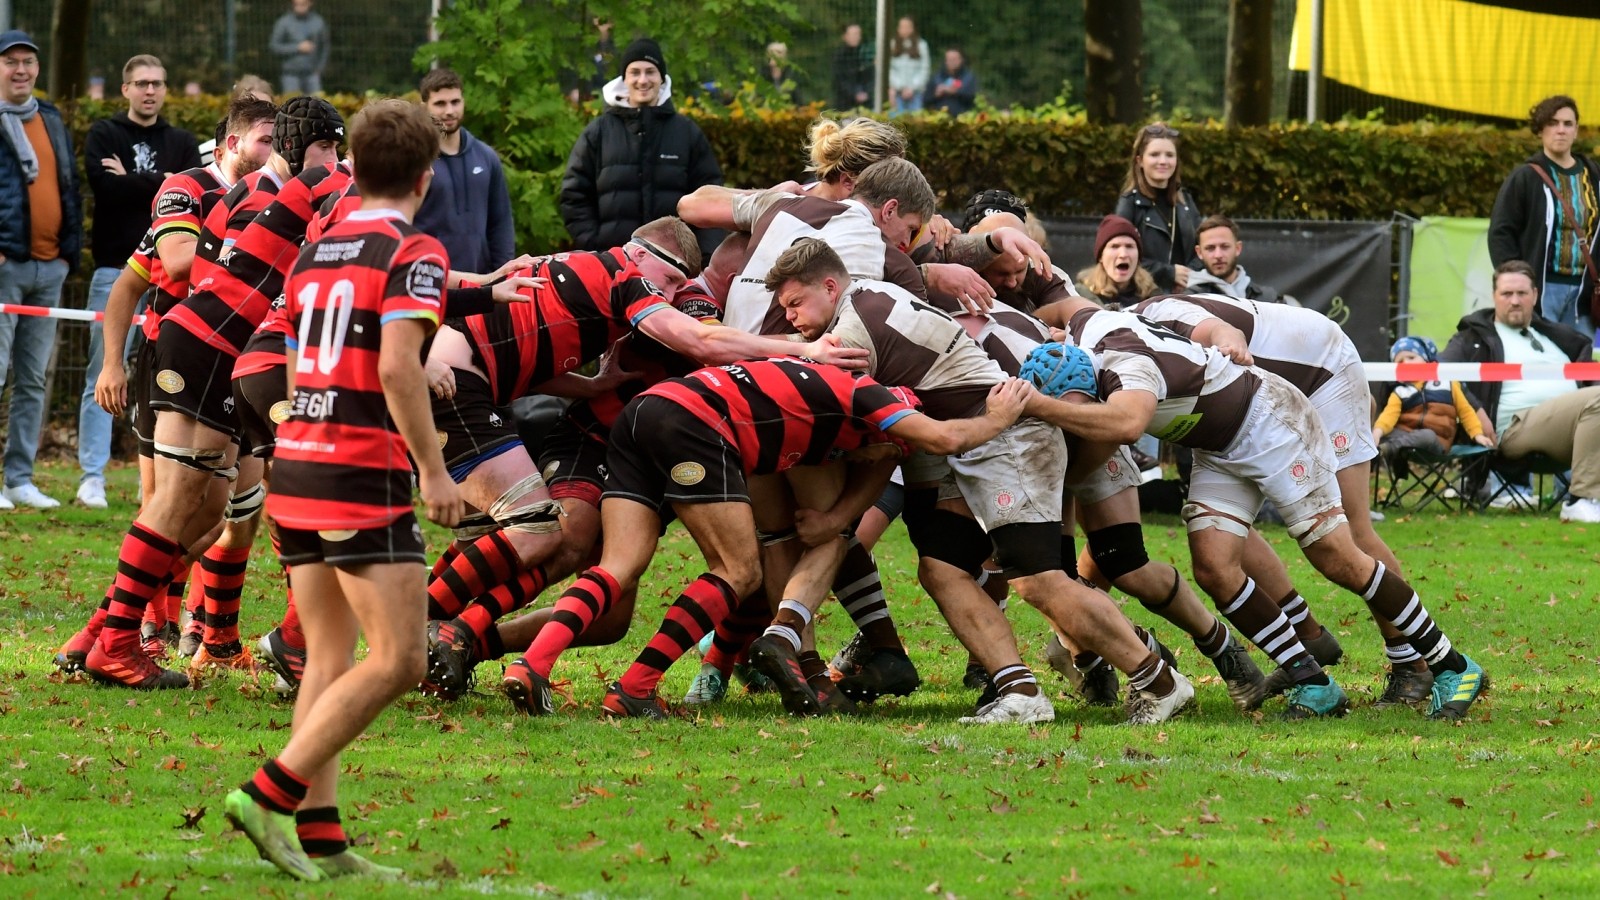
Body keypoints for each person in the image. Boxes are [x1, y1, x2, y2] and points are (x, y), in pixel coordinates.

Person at [1027, 306, 1488, 721]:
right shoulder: (1088, 334)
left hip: (1270, 421)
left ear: (1084, 387)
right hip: (1218, 442)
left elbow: (1126, 424)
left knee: (1336, 555)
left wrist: (1037, 406)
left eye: (1072, 414)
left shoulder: (1128, 370)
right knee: (1214, 567)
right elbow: (1057, 295)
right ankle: (1312, 682)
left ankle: (1453, 664)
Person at [223, 99, 458, 883]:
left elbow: (290, 353)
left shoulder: (319, 246)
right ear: (427, 176)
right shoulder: (413, 249)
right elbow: (397, 366)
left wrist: (303, 427)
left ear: (351, 165)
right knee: (400, 660)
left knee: (328, 653)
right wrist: (433, 469)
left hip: (299, 459)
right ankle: (270, 792)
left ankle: (323, 837)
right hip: (362, 471)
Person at [79, 55, 200, 508]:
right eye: (142, 83)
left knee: (169, 370)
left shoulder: (182, 140)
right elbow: (105, 191)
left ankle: (152, 471)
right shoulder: (105, 134)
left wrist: (131, 179)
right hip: (117, 268)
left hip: (176, 275)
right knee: (104, 368)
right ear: (126, 89)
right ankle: (92, 474)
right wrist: (161, 181)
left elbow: (193, 193)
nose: (150, 91)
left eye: (158, 84)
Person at [1441, 260, 1600, 523]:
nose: (1515, 301)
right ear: (1494, 296)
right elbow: (1441, 374)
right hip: (1513, 430)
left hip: (1575, 424)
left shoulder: (1558, 337)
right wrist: (1476, 410)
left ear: (1535, 296)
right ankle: (1580, 500)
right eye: (1507, 294)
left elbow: (1590, 376)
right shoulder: (1473, 338)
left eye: (1522, 293)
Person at [0, 30, 83, 511]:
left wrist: (68, 254)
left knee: (33, 379)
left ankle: (19, 480)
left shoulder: (50, 117)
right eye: (10, 62)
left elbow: (68, 185)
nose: (20, 70)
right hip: (6, 269)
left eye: (28, 62)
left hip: (50, 267)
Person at [559, 39, 724, 259]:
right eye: (635, 72)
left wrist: (702, 256)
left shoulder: (686, 132)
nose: (642, 80)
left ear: (662, 79)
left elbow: (710, 198)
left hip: (674, 266)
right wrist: (597, 249)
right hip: (613, 265)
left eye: (650, 72)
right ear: (624, 79)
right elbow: (574, 196)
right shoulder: (598, 132)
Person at [1488, 95, 1600, 336]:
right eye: (1553, 123)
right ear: (1540, 130)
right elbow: (1500, 233)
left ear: (1576, 130)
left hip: (1584, 296)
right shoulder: (1525, 177)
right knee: (1539, 364)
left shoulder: (1593, 177)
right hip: (1540, 293)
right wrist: (1519, 282)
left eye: (1568, 124)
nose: (1561, 130)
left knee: (1579, 365)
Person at [414, 68, 515, 274]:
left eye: (455, 102)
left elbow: (501, 223)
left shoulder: (486, 157)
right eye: (440, 103)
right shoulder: (415, 158)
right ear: (424, 107)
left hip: (482, 285)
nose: (449, 111)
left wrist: (501, 274)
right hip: (429, 280)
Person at [1374, 336, 1495, 463]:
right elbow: (1388, 416)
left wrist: (1477, 435)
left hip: (1435, 442)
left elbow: (1466, 412)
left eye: (1411, 357)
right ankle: (1381, 451)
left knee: (1426, 435)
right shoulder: (1400, 392)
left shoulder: (1448, 384)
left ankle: (1384, 451)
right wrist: (1377, 432)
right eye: (1400, 362)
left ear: (1426, 360)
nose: (1407, 363)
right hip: (1407, 438)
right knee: (1386, 435)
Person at [1113, 123, 1202, 291]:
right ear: (1139, 160)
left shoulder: (1186, 201)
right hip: (1144, 294)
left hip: (1189, 293)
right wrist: (1168, 273)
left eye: (1169, 155)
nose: (1163, 161)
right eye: (1154, 155)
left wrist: (1189, 277)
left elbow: (1203, 248)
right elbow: (1119, 256)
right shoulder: (1129, 203)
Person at [1185, 214, 1287, 304]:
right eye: (1210, 248)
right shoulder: (1190, 301)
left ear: (1238, 248)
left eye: (1225, 246)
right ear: (1199, 252)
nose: (1218, 255)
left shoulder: (1269, 298)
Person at [1075, 215, 1156, 309]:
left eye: (1129, 246)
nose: (1123, 254)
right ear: (1101, 256)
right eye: (1114, 246)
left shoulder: (1153, 297)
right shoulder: (1080, 296)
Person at [269, 0, 329, 95]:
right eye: (296, 4)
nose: (299, 7)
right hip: (290, 74)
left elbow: (325, 47)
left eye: (303, 4)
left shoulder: (318, 22)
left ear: (310, 3)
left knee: (316, 106)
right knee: (293, 106)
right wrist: (297, 48)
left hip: (312, 74)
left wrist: (320, 68)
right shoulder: (284, 22)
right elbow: (274, 47)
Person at [887, 17, 929, 116]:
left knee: (915, 122)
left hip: (916, 93)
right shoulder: (892, 45)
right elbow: (889, 69)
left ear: (913, 28)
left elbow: (925, 69)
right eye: (902, 27)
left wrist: (912, 88)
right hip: (896, 92)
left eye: (907, 27)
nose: (905, 29)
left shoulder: (922, 45)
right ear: (898, 29)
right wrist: (899, 86)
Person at [923, 48, 976, 116]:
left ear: (961, 60)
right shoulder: (937, 78)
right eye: (949, 59)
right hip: (939, 117)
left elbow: (971, 98)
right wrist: (936, 94)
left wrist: (955, 92)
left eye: (954, 59)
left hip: (962, 117)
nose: (952, 62)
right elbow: (926, 100)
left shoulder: (968, 77)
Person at [830, 24, 871, 110]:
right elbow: (839, 80)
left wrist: (866, 93)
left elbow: (870, 78)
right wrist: (854, 94)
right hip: (844, 103)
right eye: (853, 34)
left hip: (866, 103)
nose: (857, 37)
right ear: (845, 36)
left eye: (858, 34)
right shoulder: (839, 56)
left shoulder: (865, 54)